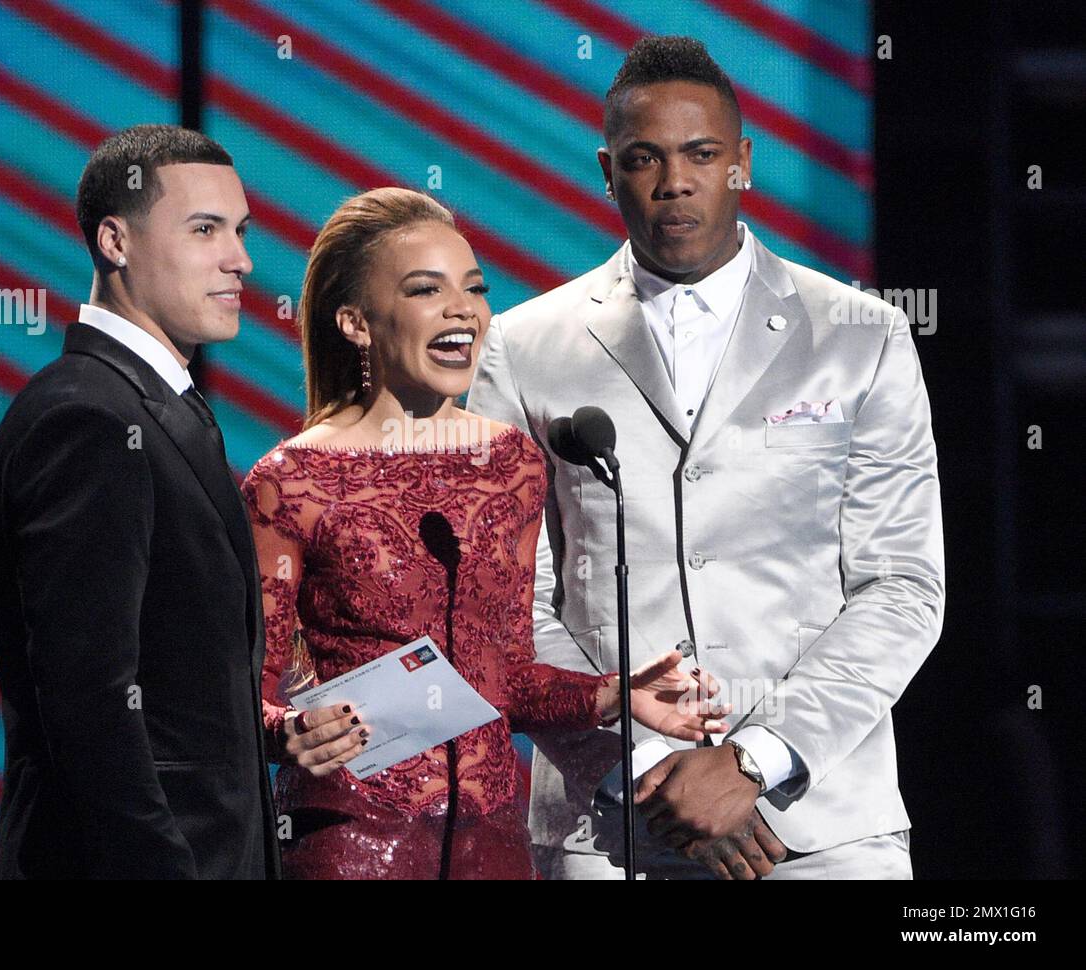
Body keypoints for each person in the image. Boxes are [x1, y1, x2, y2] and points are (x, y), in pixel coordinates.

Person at [467, 36, 944, 879]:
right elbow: (504, 605)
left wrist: (755, 757)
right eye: (645, 159)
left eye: (701, 154)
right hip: (609, 827)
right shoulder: (522, 347)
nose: (675, 181)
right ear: (606, 171)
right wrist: (647, 768)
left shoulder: (862, 335)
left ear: (743, 164)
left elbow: (902, 586)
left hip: (821, 820)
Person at [240, 187, 730, 879]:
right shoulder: (289, 481)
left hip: (491, 843)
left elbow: (504, 680)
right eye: (424, 290)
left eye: (473, 288)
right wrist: (288, 733)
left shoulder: (510, 465)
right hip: (352, 841)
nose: (462, 310)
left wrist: (615, 695)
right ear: (354, 322)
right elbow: (238, 691)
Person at [0, 124, 278, 878]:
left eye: (239, 231)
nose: (240, 259)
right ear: (115, 241)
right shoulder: (90, 419)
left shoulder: (146, 406)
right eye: (205, 230)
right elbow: (91, 708)